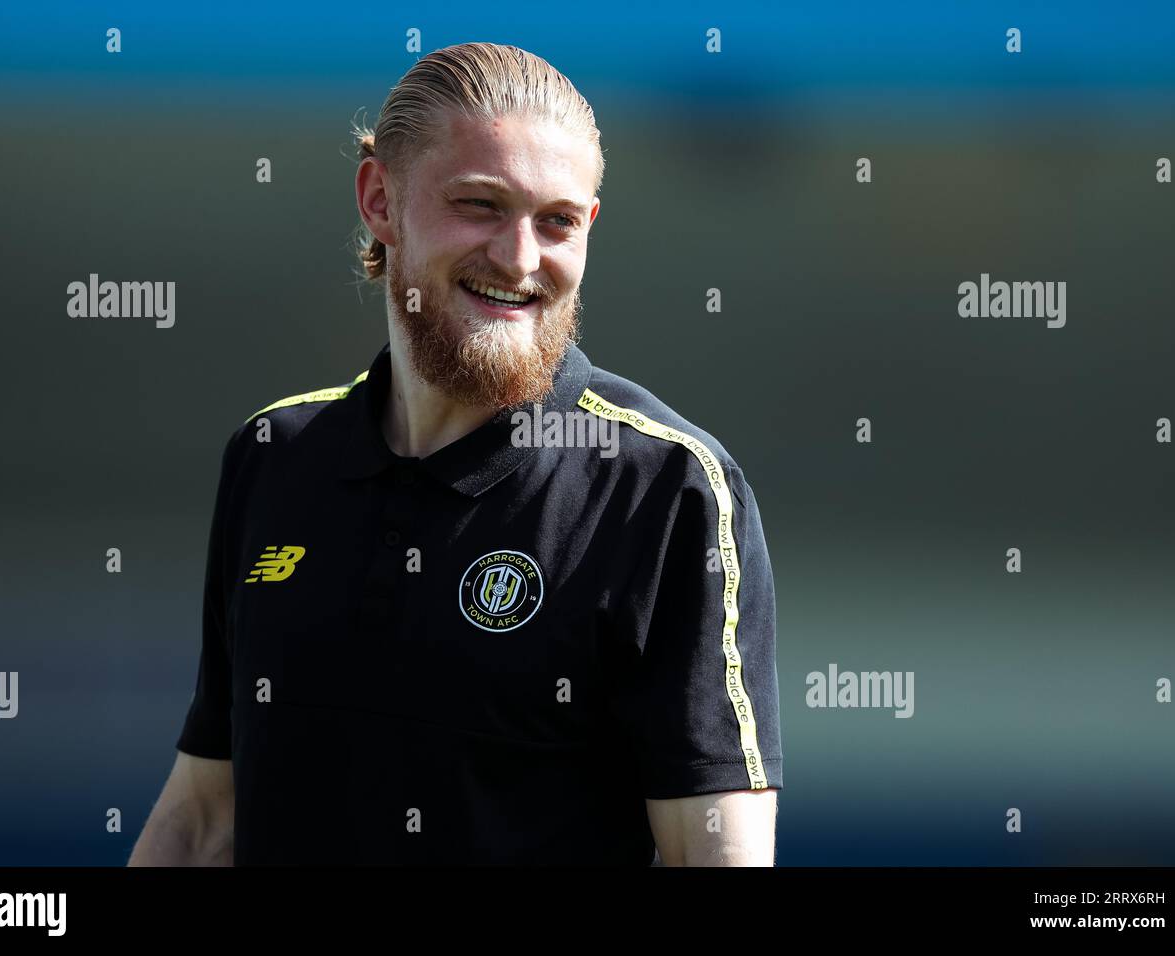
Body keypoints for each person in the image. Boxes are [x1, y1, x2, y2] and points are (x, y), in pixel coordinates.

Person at [130, 41, 782, 867]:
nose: (519, 259)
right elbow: (202, 820)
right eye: (479, 205)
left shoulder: (667, 489)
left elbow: (712, 857)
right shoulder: (273, 455)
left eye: (558, 222)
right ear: (380, 201)